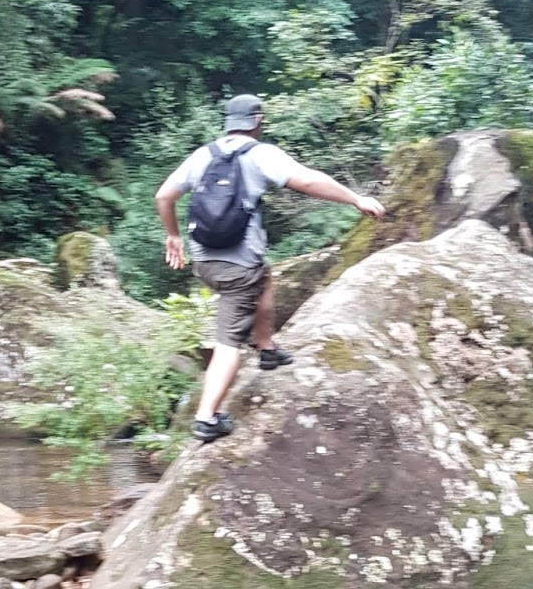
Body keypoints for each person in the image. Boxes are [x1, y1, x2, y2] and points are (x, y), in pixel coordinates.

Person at [155, 93, 386, 442]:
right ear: (258, 120)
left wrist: (173, 236)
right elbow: (307, 181)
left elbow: (163, 196)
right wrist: (356, 198)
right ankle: (206, 418)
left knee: (264, 276)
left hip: (205, 259)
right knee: (229, 340)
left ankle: (266, 350)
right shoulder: (260, 154)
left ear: (228, 122)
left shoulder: (204, 154)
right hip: (237, 265)